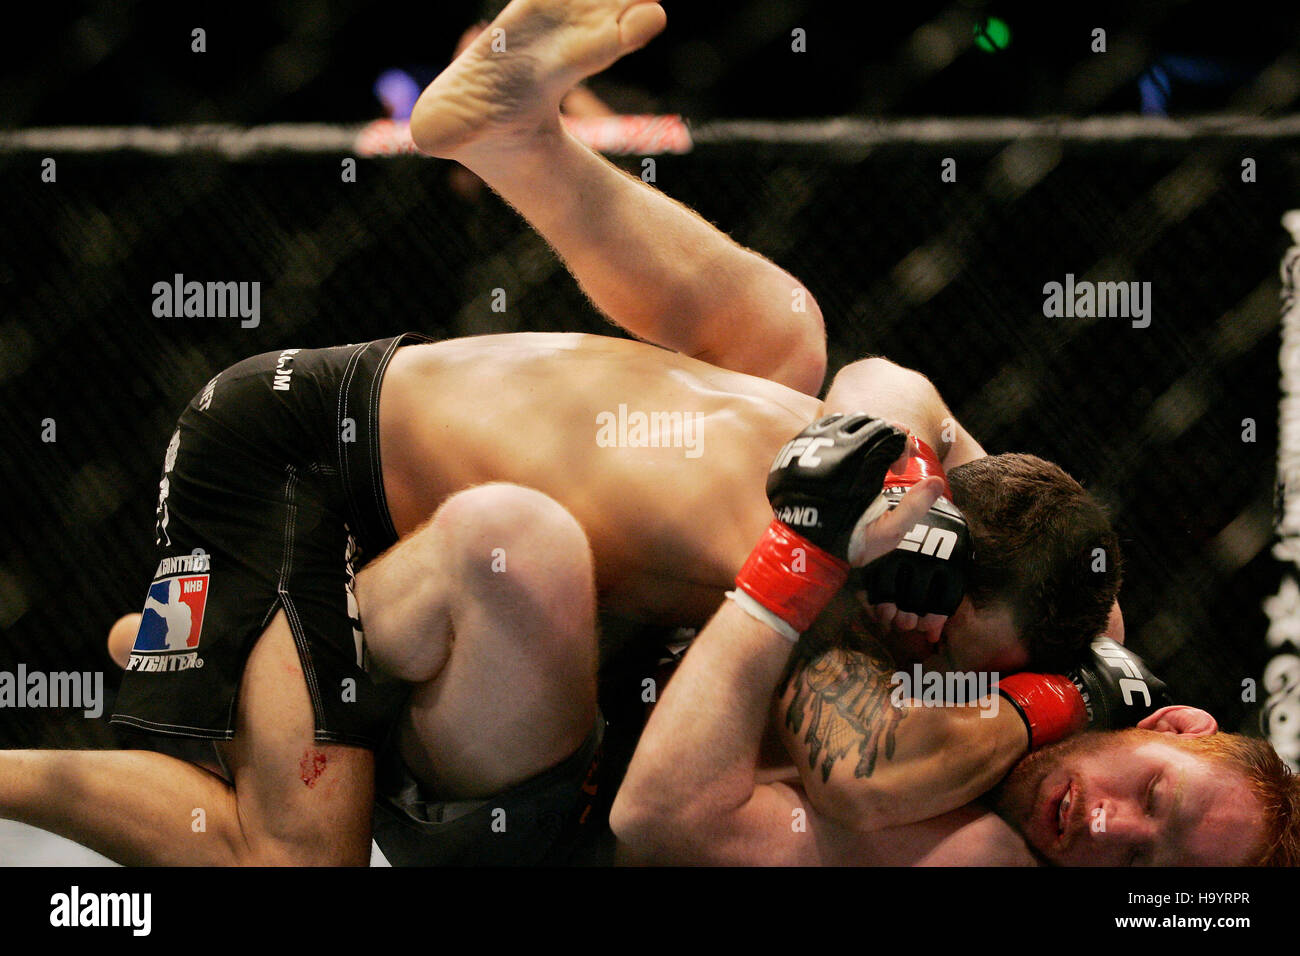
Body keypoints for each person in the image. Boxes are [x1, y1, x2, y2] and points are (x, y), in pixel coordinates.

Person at [4, 0, 1113, 865]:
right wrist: (1053, 694)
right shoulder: (817, 564)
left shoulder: (895, 449)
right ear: (937, 565)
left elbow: (897, 379)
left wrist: (1082, 666)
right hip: (295, 461)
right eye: (950, 647)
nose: (930, 669)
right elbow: (860, 773)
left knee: (783, 335)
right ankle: (127, 707)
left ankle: (516, 141)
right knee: (295, 857)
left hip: (391, 443)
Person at [610, 415, 1300, 866]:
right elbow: (892, 387)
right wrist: (917, 497)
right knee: (782, 332)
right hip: (642, 617)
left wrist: (807, 553)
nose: (1104, 826)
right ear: (1172, 725)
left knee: (518, 544)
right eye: (1152, 796)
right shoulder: (1081, 628)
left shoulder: (978, 852)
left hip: (590, 765)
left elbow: (656, 815)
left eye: (1140, 865)